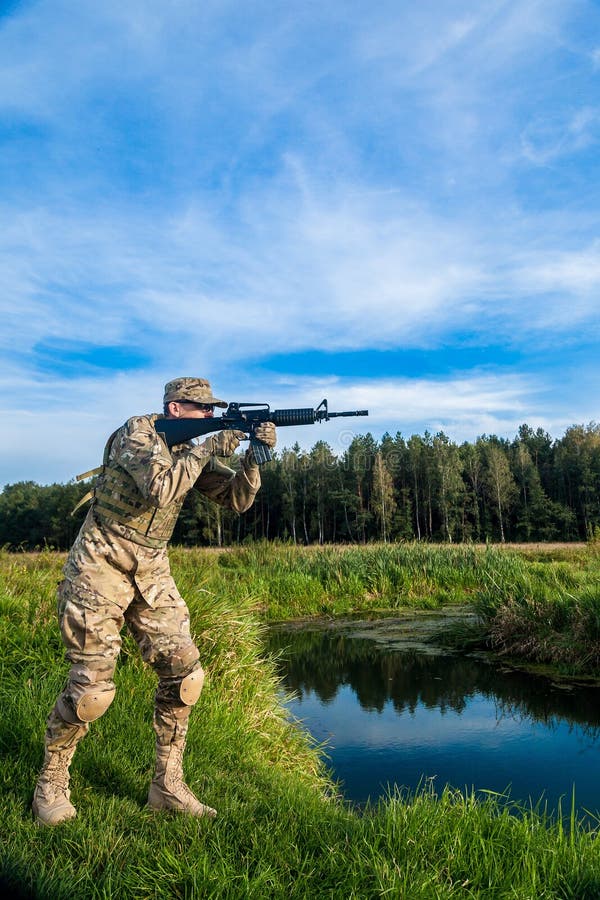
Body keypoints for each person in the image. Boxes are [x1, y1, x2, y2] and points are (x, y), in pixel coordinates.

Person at [32, 377, 276, 826]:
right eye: (201, 409)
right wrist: (207, 446)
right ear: (174, 408)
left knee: (185, 675)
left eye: (212, 410)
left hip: (151, 568)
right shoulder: (137, 434)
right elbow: (160, 488)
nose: (208, 416)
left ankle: (167, 785)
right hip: (99, 565)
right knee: (91, 691)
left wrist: (253, 460)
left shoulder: (191, 448)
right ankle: (50, 781)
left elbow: (236, 499)